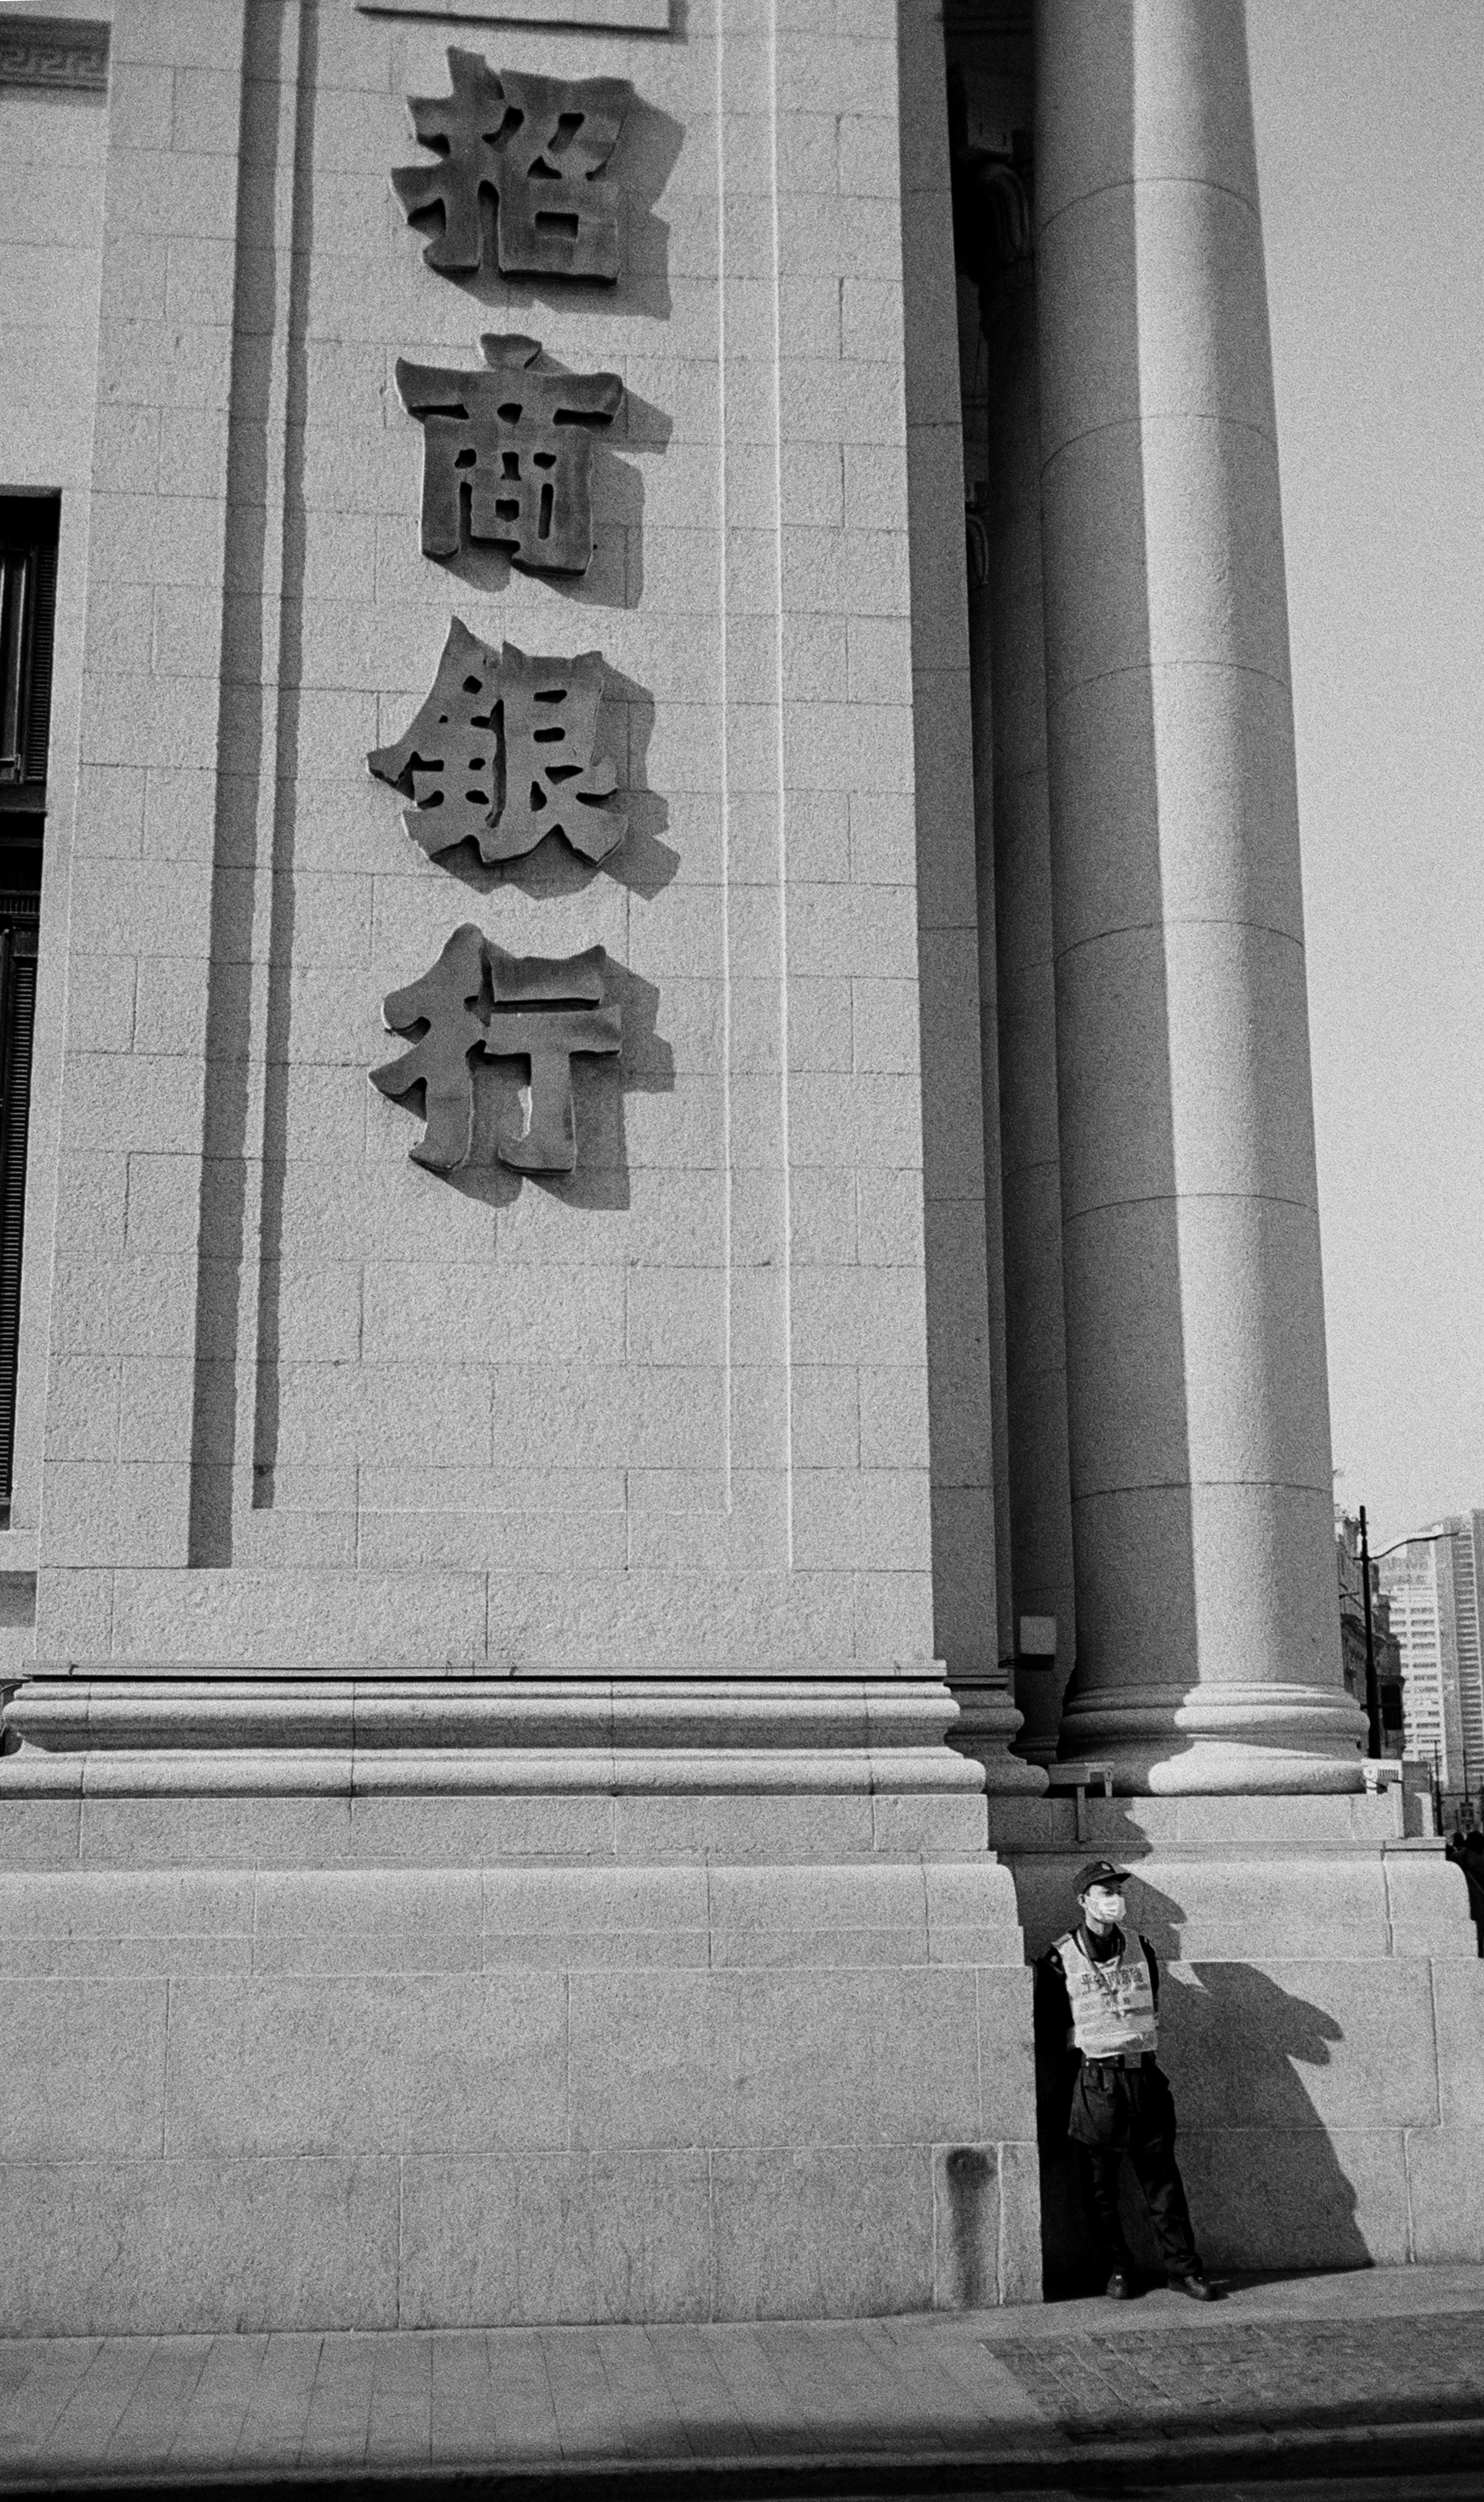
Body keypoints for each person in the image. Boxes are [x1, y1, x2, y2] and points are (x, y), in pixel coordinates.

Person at [1034, 1860, 1217, 2301]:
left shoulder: (1141, 1946)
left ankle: (1184, 2269)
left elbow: (1150, 2002)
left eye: (1117, 1889)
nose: (1113, 1898)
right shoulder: (1061, 1957)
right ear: (1084, 1901)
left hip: (1144, 2077)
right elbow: (1051, 2026)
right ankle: (1116, 2268)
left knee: (1163, 2183)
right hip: (1097, 2081)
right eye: (1103, 1890)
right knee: (1100, 2188)